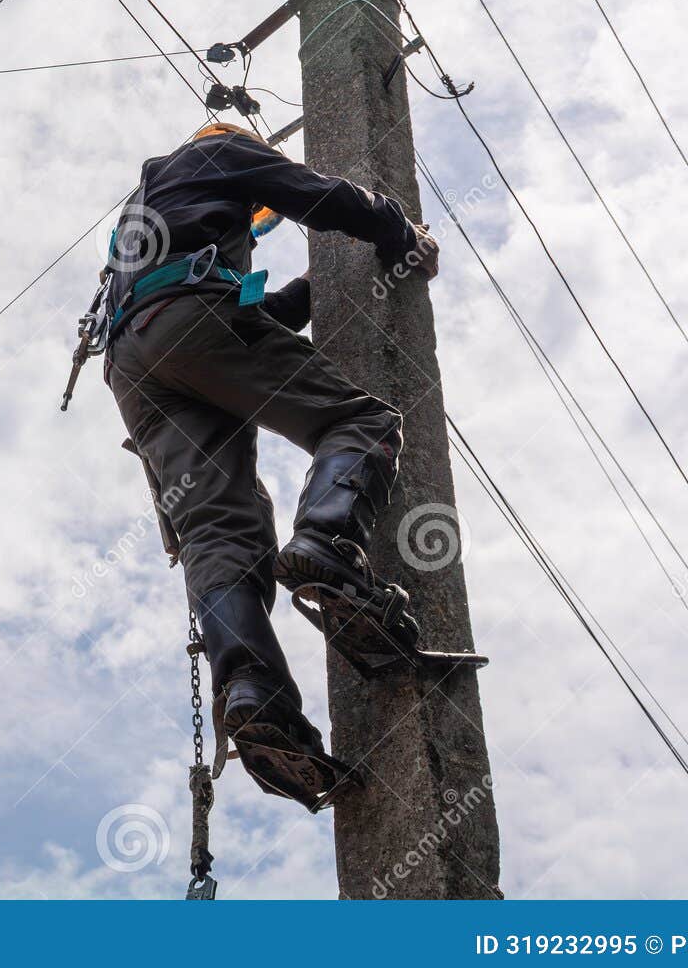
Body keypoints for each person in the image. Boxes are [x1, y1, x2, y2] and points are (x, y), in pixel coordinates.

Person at [101, 120, 438, 809]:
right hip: (189, 320)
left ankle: (254, 694)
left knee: (220, 534)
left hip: (136, 363)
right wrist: (398, 235)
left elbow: (254, 315)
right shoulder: (218, 149)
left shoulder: (144, 227)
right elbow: (315, 193)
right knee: (358, 421)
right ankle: (327, 545)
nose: (255, 228)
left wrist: (317, 287)